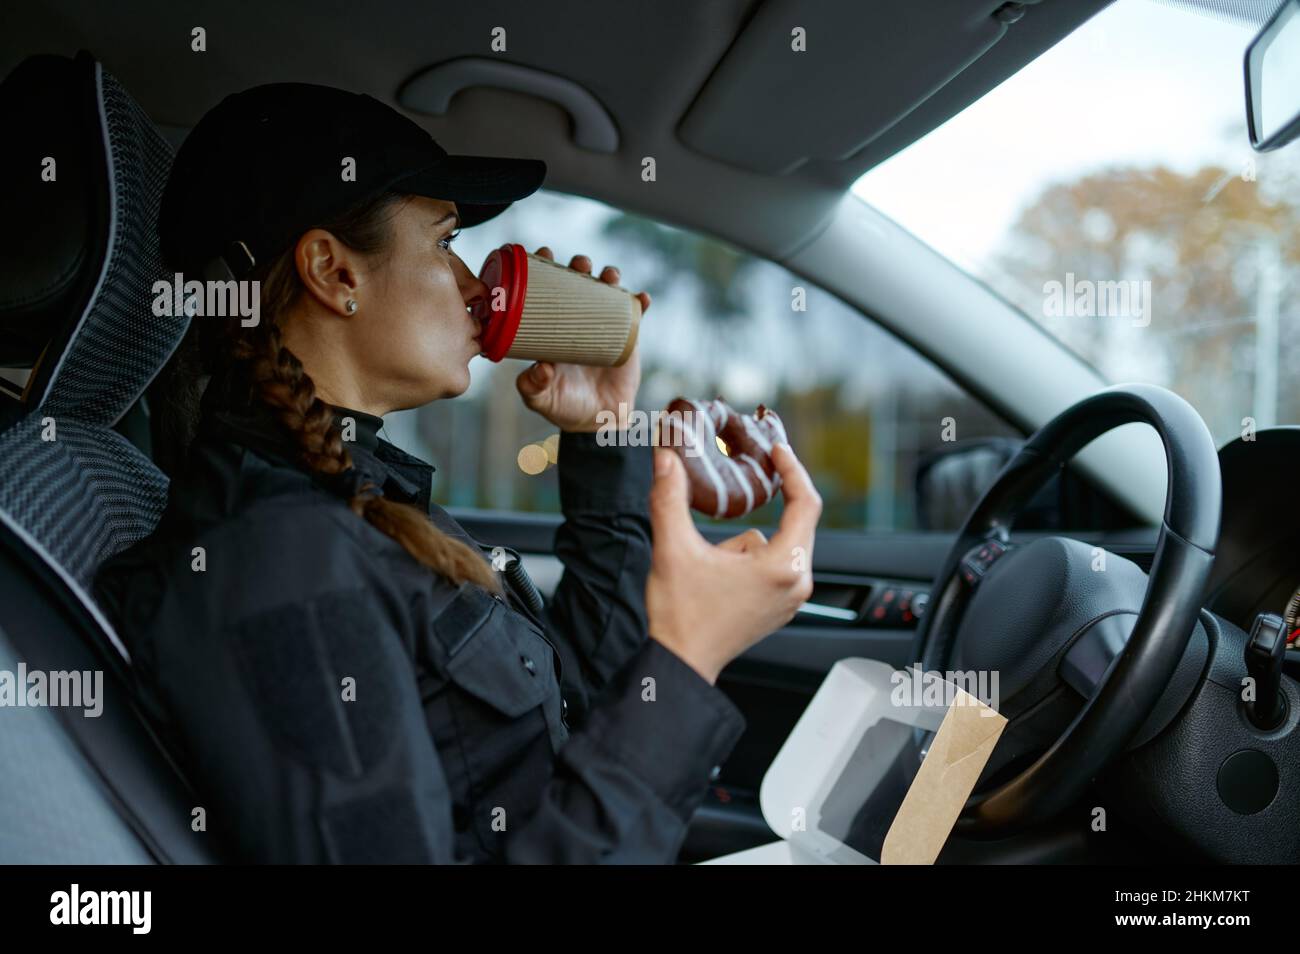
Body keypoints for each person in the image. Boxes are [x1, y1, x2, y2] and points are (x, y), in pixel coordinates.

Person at [93, 82, 821, 864]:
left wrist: (602, 426)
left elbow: (575, 698)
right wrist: (689, 658)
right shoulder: (276, 561)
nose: (479, 288)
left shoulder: (361, 493)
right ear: (333, 273)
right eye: (443, 244)